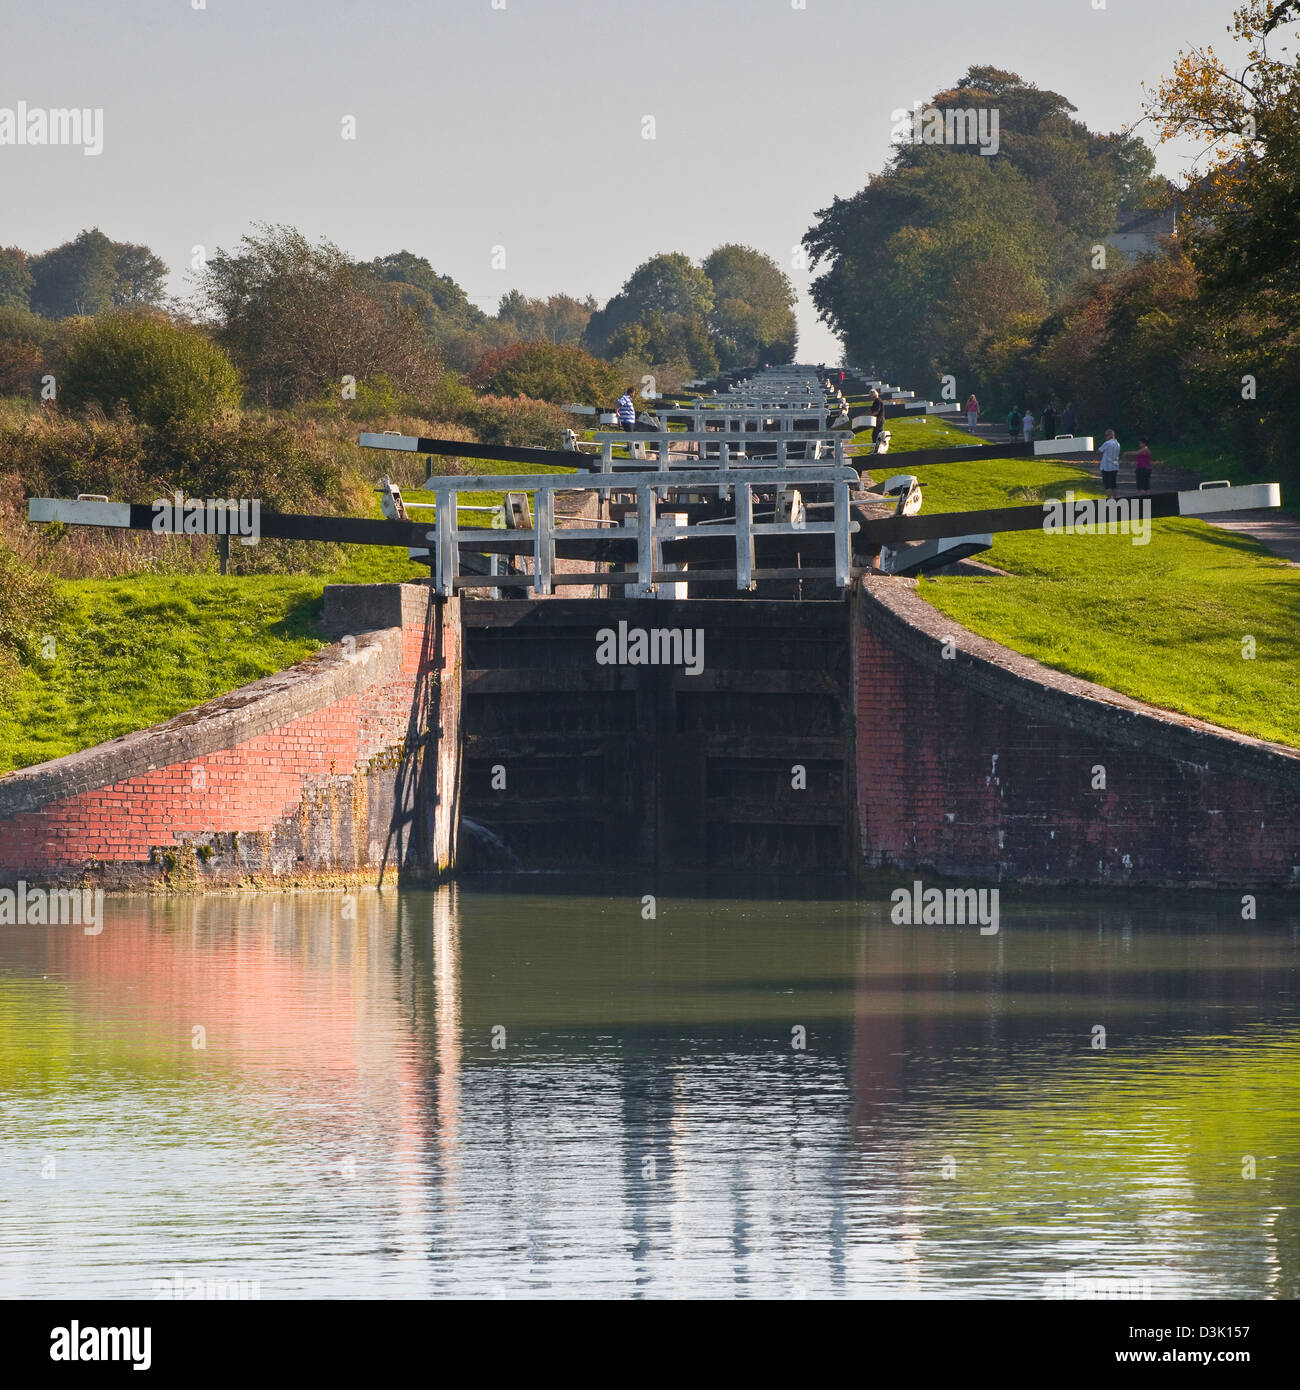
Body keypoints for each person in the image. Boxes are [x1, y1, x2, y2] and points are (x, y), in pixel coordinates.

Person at [1098, 429, 1121, 497]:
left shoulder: (1107, 443)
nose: (1105, 437)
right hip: (1115, 466)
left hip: (1106, 467)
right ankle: (1115, 499)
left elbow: (1099, 451)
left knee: (1108, 486)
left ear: (1111, 435)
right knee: (1113, 485)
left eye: (1106, 435)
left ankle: (1109, 501)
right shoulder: (1117, 444)